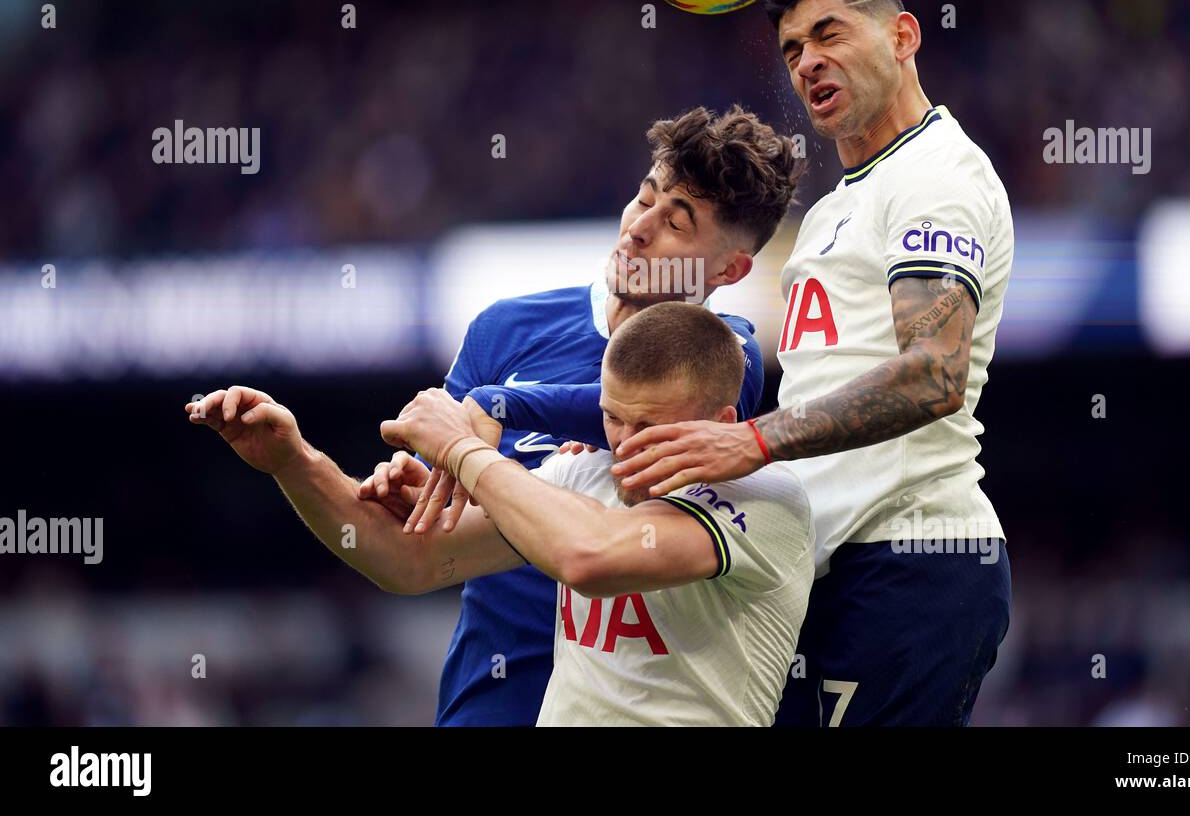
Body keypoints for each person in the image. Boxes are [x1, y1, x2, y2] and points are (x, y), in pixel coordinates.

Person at [188, 103, 806, 726]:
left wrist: (491, 413)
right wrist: (308, 463)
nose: (639, 229)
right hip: (492, 698)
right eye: (643, 198)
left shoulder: (724, 356)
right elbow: (414, 544)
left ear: (730, 268)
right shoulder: (508, 330)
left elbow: (644, 430)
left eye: (677, 223)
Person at [610, 0, 1014, 726]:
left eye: (829, 34)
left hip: (911, 561)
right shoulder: (832, 208)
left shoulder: (937, 175)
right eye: (792, 50)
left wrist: (752, 445)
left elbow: (933, 375)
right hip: (830, 567)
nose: (807, 63)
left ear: (902, 37)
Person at [190, 302, 814, 726]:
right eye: (612, 417)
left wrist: (462, 452)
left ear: (722, 422)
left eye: (648, 426)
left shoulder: (765, 501)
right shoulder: (581, 472)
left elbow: (589, 556)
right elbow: (411, 561)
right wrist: (293, 461)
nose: (622, 444)